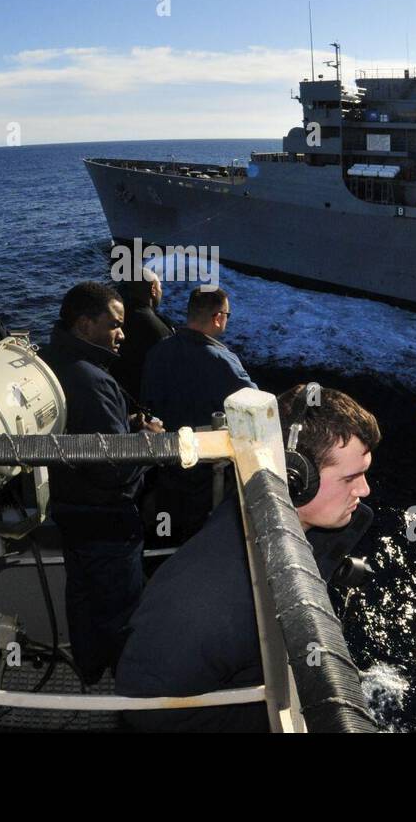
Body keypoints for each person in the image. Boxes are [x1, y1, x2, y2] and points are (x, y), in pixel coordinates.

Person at [114, 384, 378, 732]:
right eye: (351, 477)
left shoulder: (283, 519)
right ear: (297, 480)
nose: (364, 489)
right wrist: (270, 715)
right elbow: (143, 707)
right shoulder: (206, 606)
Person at [39, 282, 163, 684]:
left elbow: (82, 435)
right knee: (121, 610)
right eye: (114, 325)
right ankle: (131, 695)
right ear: (84, 324)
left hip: (69, 509)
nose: (122, 334)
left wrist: (126, 426)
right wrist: (147, 444)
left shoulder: (51, 359)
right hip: (107, 517)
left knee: (83, 598)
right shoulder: (92, 380)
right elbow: (113, 469)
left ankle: (90, 674)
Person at [140, 286, 255, 541]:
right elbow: (255, 409)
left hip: (165, 464)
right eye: (228, 314)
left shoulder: (158, 351)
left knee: (167, 528)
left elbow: (147, 401)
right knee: (199, 535)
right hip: (203, 473)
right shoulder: (222, 362)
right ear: (218, 317)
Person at [110, 268, 173, 402]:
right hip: (144, 400)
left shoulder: (114, 321)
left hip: (117, 394)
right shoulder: (158, 328)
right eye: (160, 286)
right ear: (153, 290)